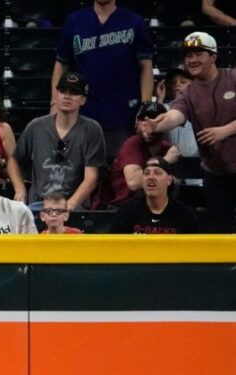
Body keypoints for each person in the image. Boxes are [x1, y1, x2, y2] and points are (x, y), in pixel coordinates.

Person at [152, 32, 236, 234]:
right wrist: (157, 124)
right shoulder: (188, 93)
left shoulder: (233, 77)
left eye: (199, 54)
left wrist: (227, 130)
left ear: (213, 57)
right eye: (189, 56)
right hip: (215, 175)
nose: (192, 60)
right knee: (221, 233)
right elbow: (175, 115)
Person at [53, 0, 153, 159]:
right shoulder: (75, 21)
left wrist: (145, 108)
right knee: (82, 172)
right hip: (83, 113)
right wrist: (55, 104)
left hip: (123, 114)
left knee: (121, 175)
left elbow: (146, 68)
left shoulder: (135, 22)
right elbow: (61, 65)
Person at [13, 71, 106, 211]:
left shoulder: (92, 129)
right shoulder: (36, 126)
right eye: (63, 91)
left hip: (74, 206)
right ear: (56, 94)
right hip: (39, 205)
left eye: (74, 92)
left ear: (83, 100)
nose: (67, 96)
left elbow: (91, 177)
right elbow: (13, 159)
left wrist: (70, 205)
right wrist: (20, 189)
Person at [95, 101, 178, 209]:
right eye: (143, 119)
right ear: (137, 123)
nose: (147, 124)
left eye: (154, 119)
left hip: (154, 206)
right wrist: (165, 161)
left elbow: (173, 182)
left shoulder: (169, 149)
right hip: (120, 207)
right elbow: (133, 183)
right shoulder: (132, 144)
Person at [112, 157, 200, 234]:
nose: (151, 177)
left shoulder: (185, 215)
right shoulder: (127, 211)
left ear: (169, 180)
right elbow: (114, 247)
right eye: (146, 173)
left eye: (157, 173)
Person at [157, 68, 198, 160]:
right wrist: (160, 98)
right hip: (169, 157)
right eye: (173, 83)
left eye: (183, 82)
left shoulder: (199, 107)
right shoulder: (165, 108)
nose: (177, 85)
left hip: (195, 157)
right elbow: (156, 125)